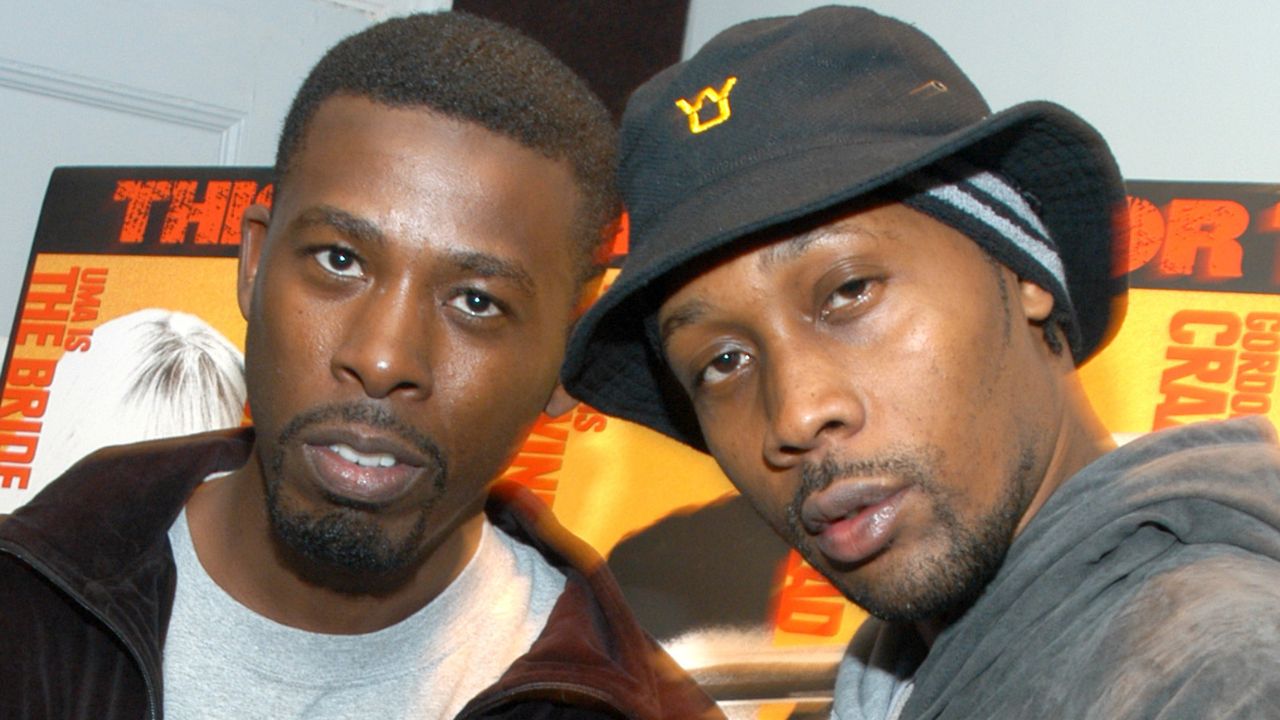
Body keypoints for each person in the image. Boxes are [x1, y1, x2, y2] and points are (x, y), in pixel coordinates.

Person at [562, 6, 1280, 718]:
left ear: (1025, 270)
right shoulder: (909, 682)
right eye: (722, 361)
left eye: (849, 292)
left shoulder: (1216, 678)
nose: (797, 413)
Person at [0, 12, 720, 719]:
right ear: (254, 263)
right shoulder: (25, 601)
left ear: (570, 350)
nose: (382, 359)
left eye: (476, 301)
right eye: (340, 261)